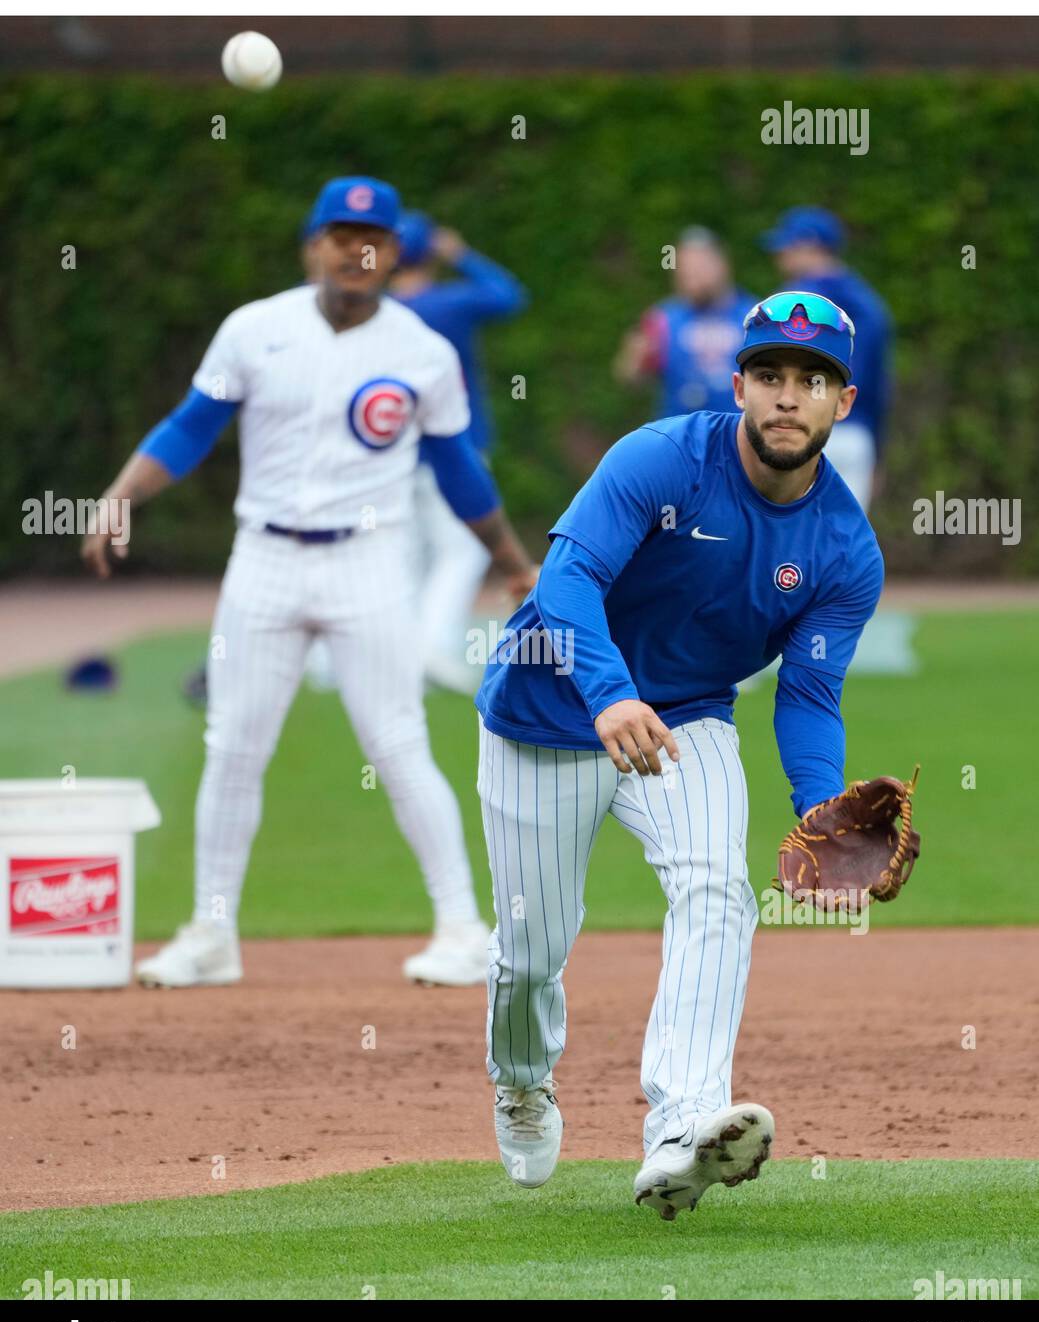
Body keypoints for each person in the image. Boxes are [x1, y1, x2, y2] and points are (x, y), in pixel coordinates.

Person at [474, 290, 883, 1219]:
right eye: (770, 375)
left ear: (841, 403)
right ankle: (522, 1079)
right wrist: (610, 693)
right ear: (737, 384)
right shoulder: (661, 458)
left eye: (812, 380)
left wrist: (821, 808)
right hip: (546, 709)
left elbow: (809, 693)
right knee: (530, 953)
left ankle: (683, 1119)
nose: (789, 396)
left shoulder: (844, 552)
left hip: (687, 716)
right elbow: (568, 578)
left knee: (716, 888)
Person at [81, 175, 538, 990]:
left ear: (394, 254)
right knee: (231, 746)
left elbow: (456, 468)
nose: (355, 250)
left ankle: (464, 929)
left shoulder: (421, 350)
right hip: (263, 557)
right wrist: (120, 495)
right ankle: (211, 936)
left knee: (397, 744)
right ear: (313, 246)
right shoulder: (255, 329)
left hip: (370, 562)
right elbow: (191, 426)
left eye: (373, 238)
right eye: (338, 234)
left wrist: (509, 564)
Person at [390, 211, 528, 694]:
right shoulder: (448, 302)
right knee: (464, 549)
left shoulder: (379, 310)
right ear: (428, 254)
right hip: (457, 448)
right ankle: (432, 648)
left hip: (392, 451)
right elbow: (510, 294)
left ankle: (403, 657)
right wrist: (459, 252)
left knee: (408, 555)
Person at [763, 206, 893, 512]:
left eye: (787, 246)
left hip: (798, 429)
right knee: (844, 542)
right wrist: (878, 451)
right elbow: (879, 388)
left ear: (811, 246)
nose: (779, 255)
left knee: (789, 534)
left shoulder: (791, 304)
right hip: (855, 433)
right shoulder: (871, 304)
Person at [614, 226, 755, 418]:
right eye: (684, 269)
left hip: (737, 435)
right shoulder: (663, 318)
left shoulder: (754, 316)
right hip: (678, 438)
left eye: (699, 267)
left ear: (722, 264)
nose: (690, 277)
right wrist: (636, 360)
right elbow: (630, 379)